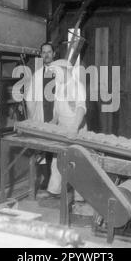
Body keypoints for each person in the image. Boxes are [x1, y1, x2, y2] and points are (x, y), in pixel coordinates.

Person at [45, 59, 86, 198]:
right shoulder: (59, 86)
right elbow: (57, 109)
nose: (54, 76)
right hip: (62, 128)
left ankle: (80, 198)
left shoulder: (77, 86)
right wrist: (53, 122)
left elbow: (81, 108)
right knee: (58, 160)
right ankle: (54, 191)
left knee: (77, 163)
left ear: (64, 70)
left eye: (55, 72)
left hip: (76, 128)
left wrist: (74, 128)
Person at [23, 42, 56, 190]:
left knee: (57, 150)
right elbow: (30, 98)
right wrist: (31, 120)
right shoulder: (37, 75)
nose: (47, 54)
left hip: (58, 117)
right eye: (44, 52)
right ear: (41, 55)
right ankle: (46, 179)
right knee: (42, 149)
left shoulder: (61, 73)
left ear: (54, 54)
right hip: (42, 116)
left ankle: (56, 183)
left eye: (49, 52)